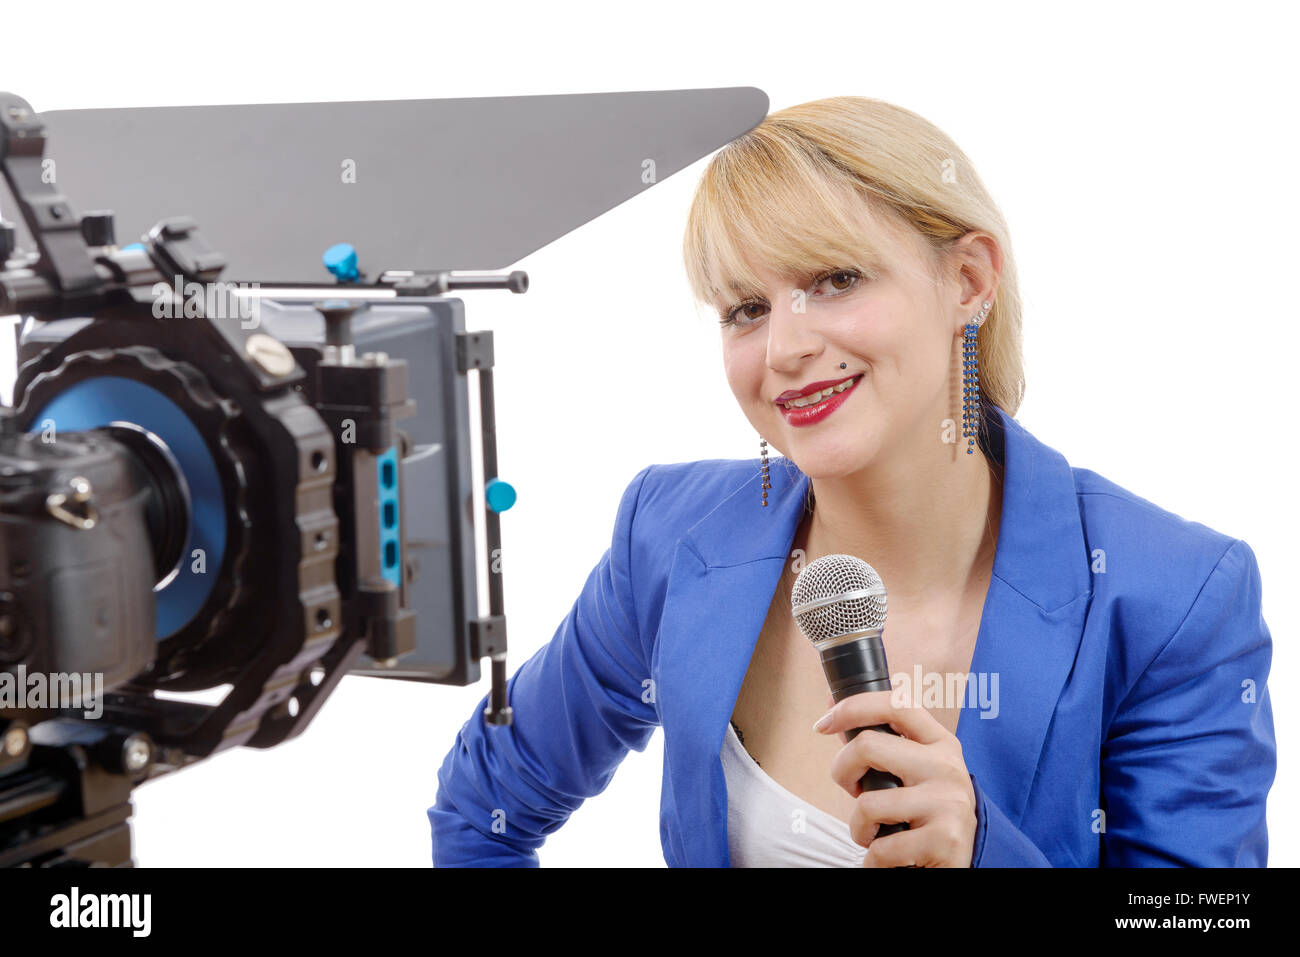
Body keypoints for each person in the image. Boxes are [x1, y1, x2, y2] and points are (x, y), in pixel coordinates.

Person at [428, 96, 1276, 867]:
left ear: (970, 281)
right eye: (745, 309)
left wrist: (985, 854)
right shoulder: (671, 536)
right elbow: (483, 810)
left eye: (834, 279)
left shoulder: (1174, 595)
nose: (784, 348)